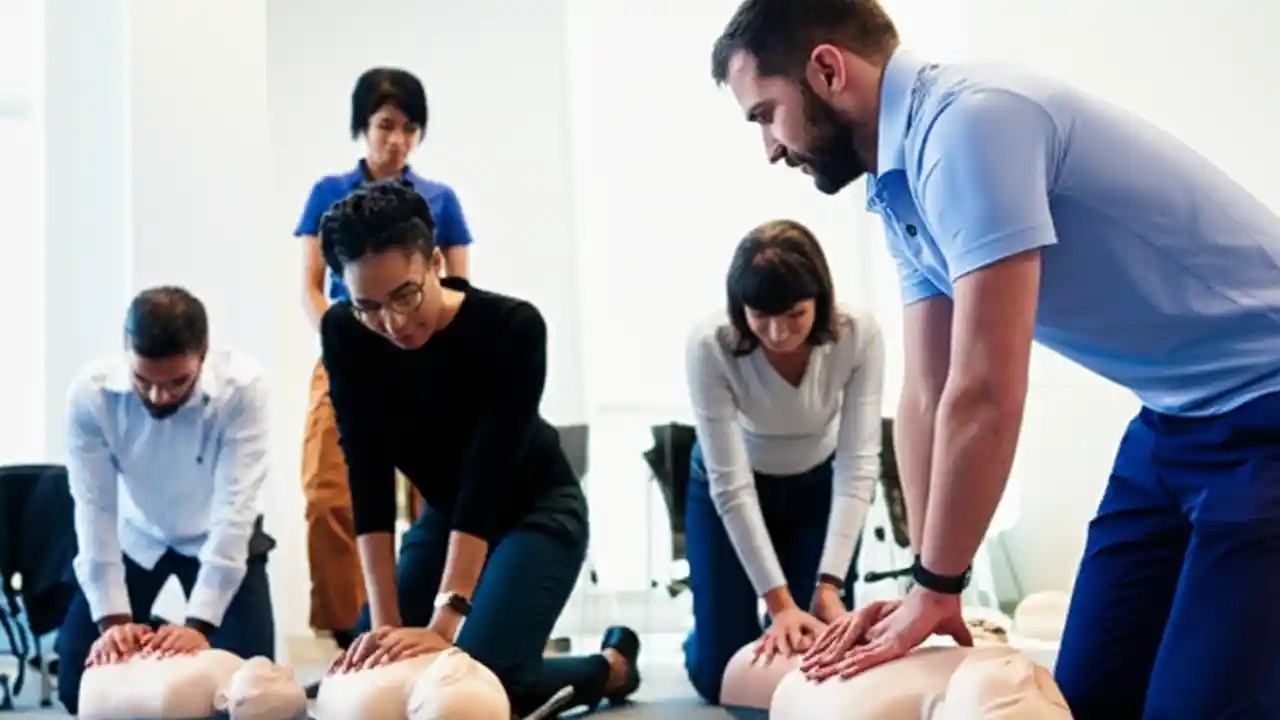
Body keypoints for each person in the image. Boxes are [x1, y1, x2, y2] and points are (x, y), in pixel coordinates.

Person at [709, 1, 1280, 718]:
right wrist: (930, 579)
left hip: (1268, 404)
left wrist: (938, 582)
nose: (769, 146)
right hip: (1171, 423)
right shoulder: (899, 181)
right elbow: (928, 390)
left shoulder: (972, 125)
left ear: (827, 69)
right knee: (1085, 699)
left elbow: (984, 390)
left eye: (766, 113)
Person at [315, 178, 640, 716]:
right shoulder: (346, 333)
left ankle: (612, 667)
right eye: (368, 305)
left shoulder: (511, 327)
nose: (393, 323)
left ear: (436, 261)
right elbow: (366, 472)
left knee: (478, 674)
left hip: (536, 509)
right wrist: (384, 624)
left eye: (405, 294)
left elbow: (485, 478)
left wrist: (445, 623)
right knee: (371, 660)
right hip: (446, 518)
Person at [294, 66, 474, 648]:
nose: (396, 139)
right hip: (347, 357)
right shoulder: (328, 194)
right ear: (362, 127)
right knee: (328, 494)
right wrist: (345, 341)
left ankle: (426, 629)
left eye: (409, 128)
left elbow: (461, 287)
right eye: (384, 125)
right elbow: (311, 286)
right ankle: (354, 634)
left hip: (426, 357)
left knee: (435, 498)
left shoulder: (440, 200)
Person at [683, 218, 882, 704]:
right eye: (761, 316)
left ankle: (785, 601)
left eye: (795, 313)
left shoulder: (858, 334)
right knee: (720, 678)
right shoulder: (709, 343)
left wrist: (828, 584)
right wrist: (778, 604)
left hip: (817, 488)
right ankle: (710, 630)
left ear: (821, 300)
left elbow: (857, 464)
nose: (778, 332)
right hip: (728, 490)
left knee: (820, 653)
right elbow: (731, 486)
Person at [57, 286, 276, 714]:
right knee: (78, 683)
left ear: (203, 354)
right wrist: (114, 624)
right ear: (127, 353)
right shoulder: (91, 395)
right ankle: (152, 635)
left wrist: (198, 625)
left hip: (221, 538)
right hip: (138, 536)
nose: (158, 397)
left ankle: (168, 639)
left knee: (249, 696)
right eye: (144, 381)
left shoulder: (245, 390)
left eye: (176, 382)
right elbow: (94, 508)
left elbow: (234, 509)